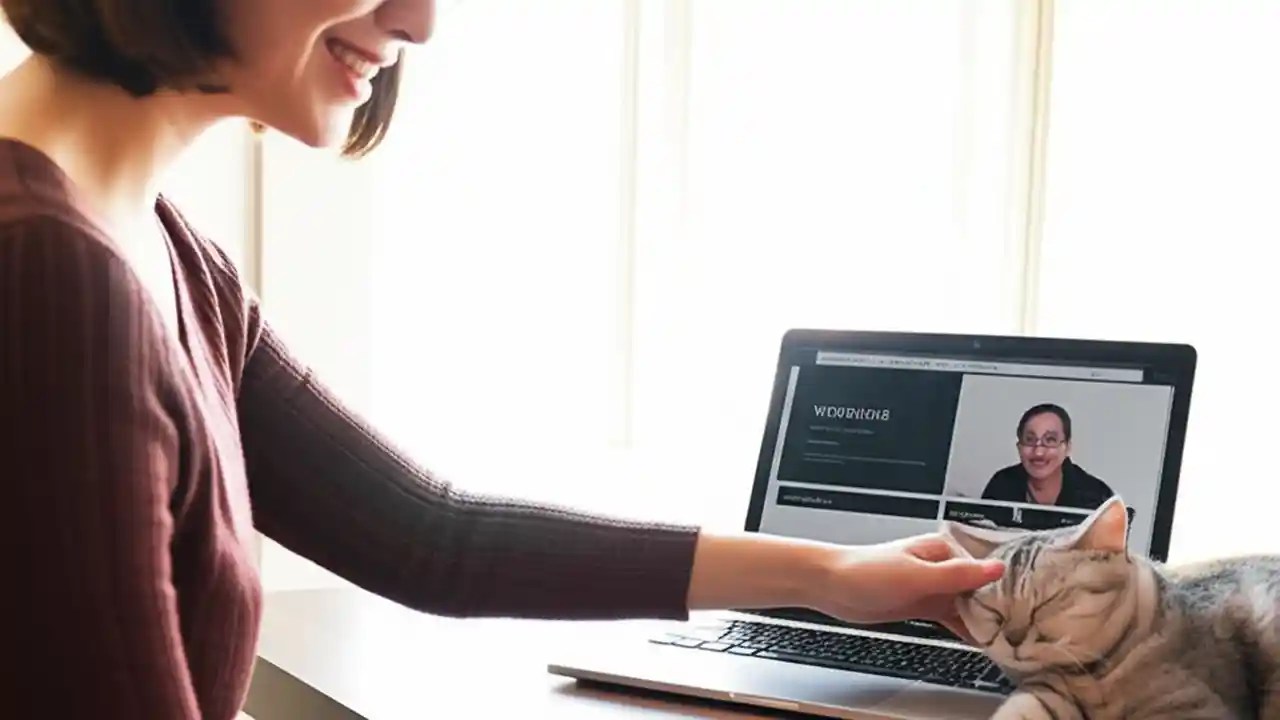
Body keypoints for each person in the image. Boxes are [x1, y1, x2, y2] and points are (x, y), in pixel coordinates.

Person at [0, 2, 1005, 718]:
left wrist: (828, 574)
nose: (419, 22)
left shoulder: (159, 250)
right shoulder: (49, 280)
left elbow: (426, 535)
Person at [981, 403, 1115, 509]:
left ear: (1067, 447)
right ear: (1019, 447)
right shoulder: (1001, 485)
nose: (1038, 452)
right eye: (1029, 440)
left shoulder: (1096, 495)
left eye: (1050, 440)